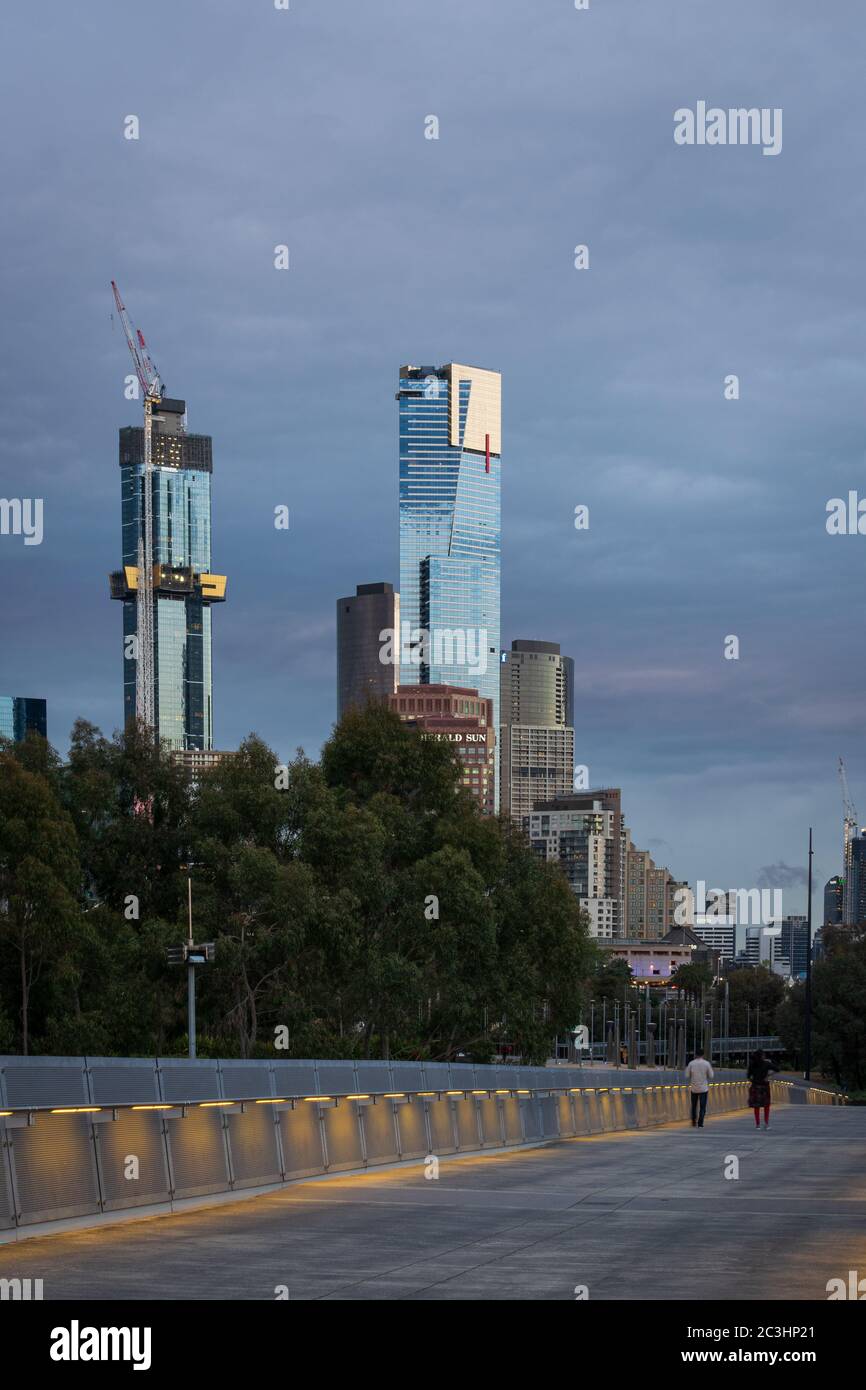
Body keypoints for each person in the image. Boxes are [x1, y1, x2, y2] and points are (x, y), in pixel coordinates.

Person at [747, 1049, 777, 1129]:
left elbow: (748, 1077)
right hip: (764, 1087)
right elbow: (777, 1069)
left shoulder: (752, 1064)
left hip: (755, 1087)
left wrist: (754, 1080)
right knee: (766, 1105)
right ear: (762, 1056)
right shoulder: (767, 1064)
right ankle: (766, 1124)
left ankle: (757, 1125)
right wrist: (768, 1076)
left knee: (756, 1106)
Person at [685, 1048, 714, 1127]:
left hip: (694, 1088)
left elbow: (687, 1075)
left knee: (694, 1106)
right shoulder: (706, 1063)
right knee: (702, 1106)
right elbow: (711, 1075)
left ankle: (693, 1121)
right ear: (703, 1055)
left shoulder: (691, 1063)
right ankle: (700, 1123)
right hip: (703, 1088)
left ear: (695, 1054)